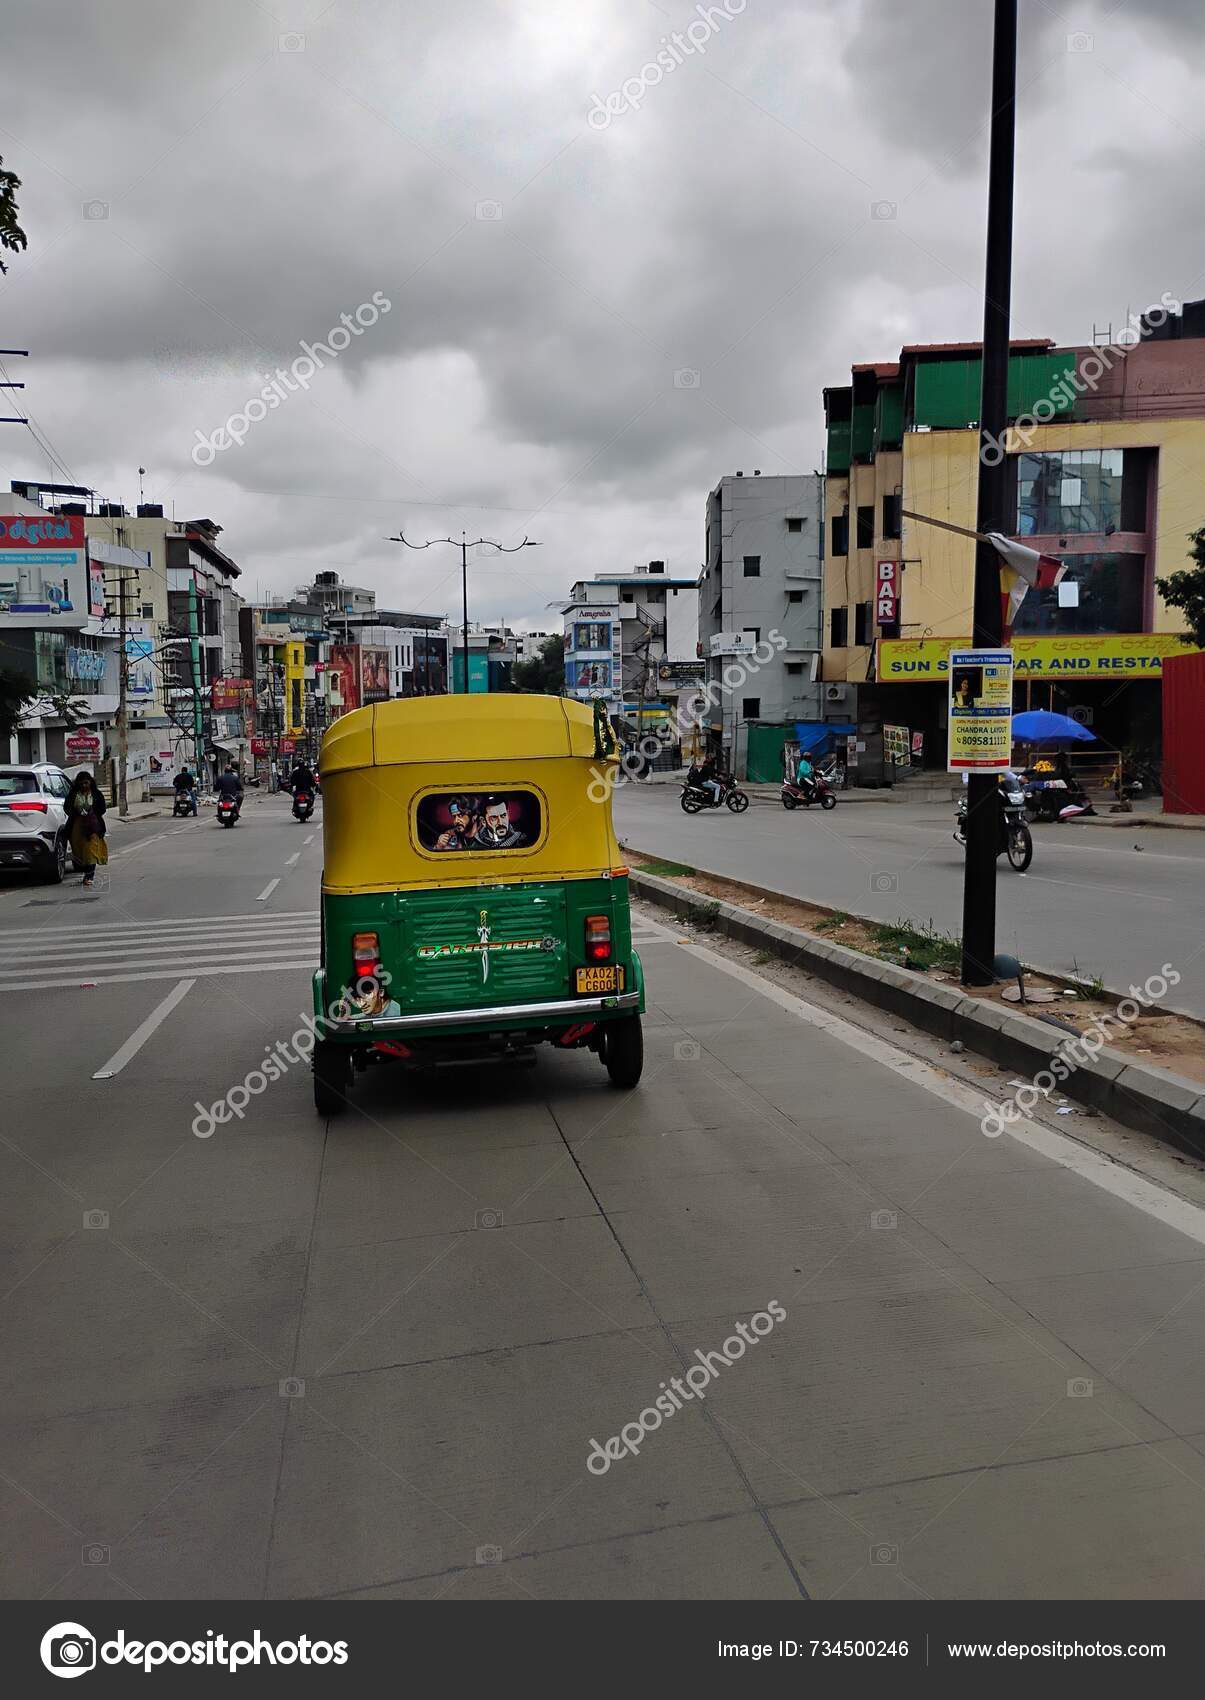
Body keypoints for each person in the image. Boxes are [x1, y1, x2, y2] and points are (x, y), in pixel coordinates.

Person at [65, 770, 108, 887]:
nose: (84, 786)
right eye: (82, 783)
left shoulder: (96, 794)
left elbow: (103, 809)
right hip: (77, 826)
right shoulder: (73, 794)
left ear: (90, 782)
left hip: (93, 826)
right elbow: (67, 808)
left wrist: (91, 812)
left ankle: (89, 876)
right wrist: (77, 812)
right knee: (80, 851)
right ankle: (86, 873)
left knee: (91, 851)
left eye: (86, 783)